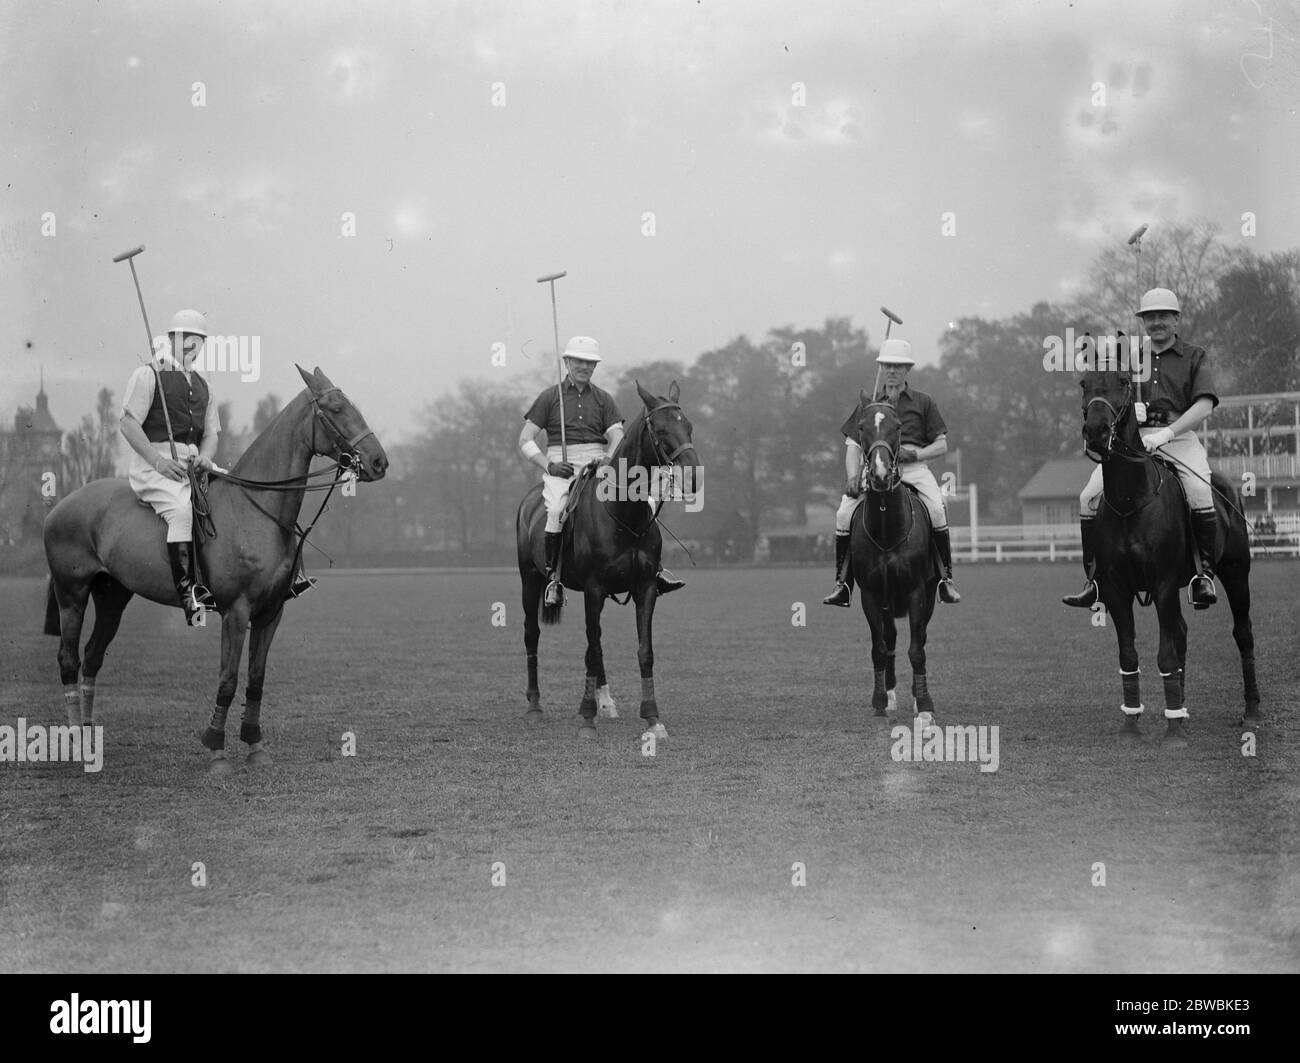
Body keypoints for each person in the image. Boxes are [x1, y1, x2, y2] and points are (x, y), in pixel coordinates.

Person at [1063, 287, 1220, 609]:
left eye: (1163, 316)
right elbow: (1112, 400)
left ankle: (1202, 576)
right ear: (1143, 322)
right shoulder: (1130, 361)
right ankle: (1093, 581)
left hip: (1179, 440)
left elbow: (1204, 405)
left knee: (1199, 491)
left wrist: (1167, 433)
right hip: (1135, 442)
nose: (1157, 322)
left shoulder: (1195, 356)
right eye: (1150, 317)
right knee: (1088, 498)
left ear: (1176, 320)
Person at [518, 335, 684, 607]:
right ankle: (554, 579)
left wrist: (607, 458)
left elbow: (618, 436)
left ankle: (655, 571)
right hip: (563, 464)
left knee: (645, 501)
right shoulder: (549, 398)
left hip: (600, 463)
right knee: (558, 509)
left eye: (590, 363)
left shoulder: (604, 399)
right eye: (579, 361)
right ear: (567, 362)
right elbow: (524, 439)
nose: (584, 367)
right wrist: (548, 465)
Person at [823, 338, 960, 607]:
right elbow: (851, 446)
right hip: (875, 470)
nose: (892, 371)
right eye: (887, 365)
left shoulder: (923, 402)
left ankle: (946, 580)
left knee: (936, 510)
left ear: (907, 369)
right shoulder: (869, 405)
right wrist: (852, 477)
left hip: (915, 470)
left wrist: (917, 454)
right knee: (842, 514)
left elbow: (942, 444)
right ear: (881, 368)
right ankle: (843, 584)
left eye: (898, 366)